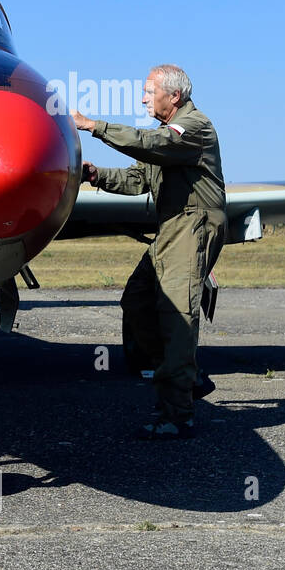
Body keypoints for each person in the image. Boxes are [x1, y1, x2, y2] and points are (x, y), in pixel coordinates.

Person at [73, 64, 226, 439]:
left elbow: (154, 144)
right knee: (137, 302)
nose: (142, 98)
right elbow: (138, 177)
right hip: (170, 229)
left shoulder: (193, 127)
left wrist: (94, 126)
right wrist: (95, 176)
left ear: (173, 96)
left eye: (148, 91)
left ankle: (177, 415)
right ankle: (184, 377)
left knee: (177, 319)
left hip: (192, 228)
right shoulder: (165, 134)